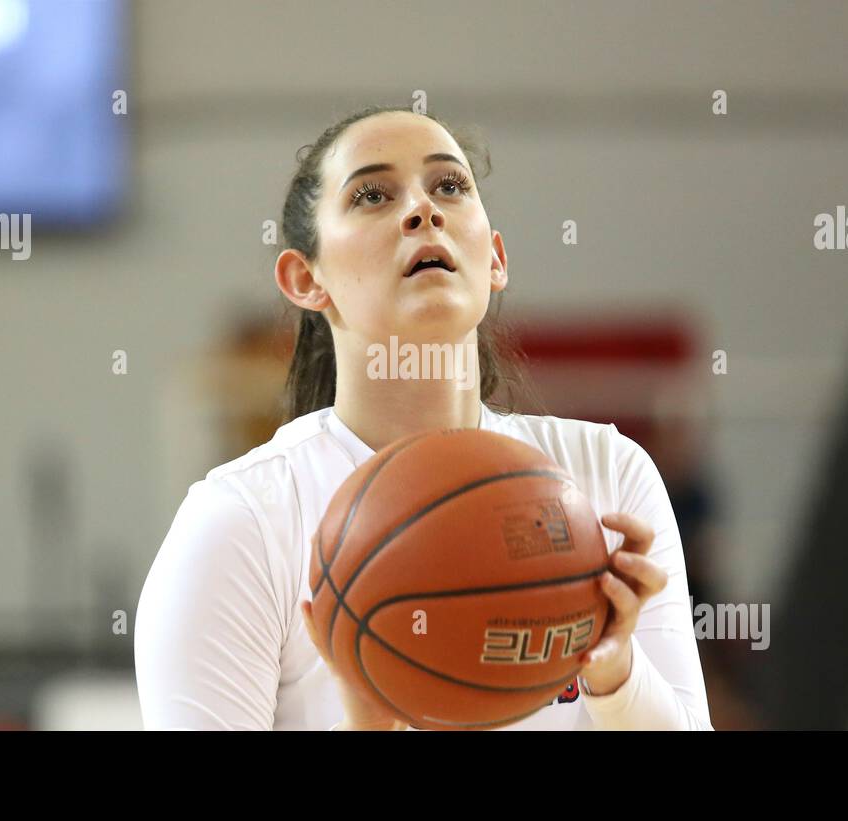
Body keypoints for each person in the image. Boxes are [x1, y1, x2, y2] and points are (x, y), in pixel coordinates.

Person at [134, 105, 713, 730]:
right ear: (305, 277)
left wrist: (616, 673)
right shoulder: (241, 520)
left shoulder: (606, 472)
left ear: (495, 260)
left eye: (449, 186)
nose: (423, 210)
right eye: (373, 195)